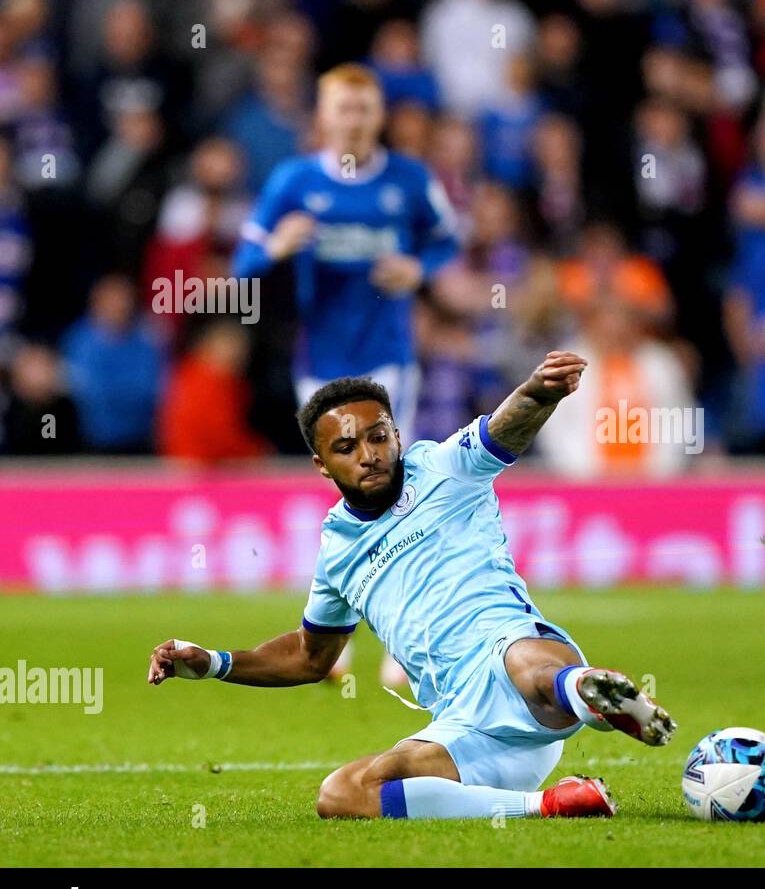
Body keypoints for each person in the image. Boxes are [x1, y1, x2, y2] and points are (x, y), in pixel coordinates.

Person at [146, 351, 676, 820]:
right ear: (321, 464)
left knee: (527, 664)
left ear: (397, 434)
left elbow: (503, 429)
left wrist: (539, 390)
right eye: (347, 447)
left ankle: (589, 695)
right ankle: (552, 803)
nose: (368, 454)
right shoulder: (337, 551)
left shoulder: (444, 468)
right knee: (342, 794)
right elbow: (310, 658)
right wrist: (213, 662)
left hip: (515, 657)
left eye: (378, 437)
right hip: (468, 730)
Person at [231, 62, 458, 435]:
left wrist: (418, 269)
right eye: (343, 109)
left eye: (363, 109)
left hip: (388, 352)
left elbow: (447, 241)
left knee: (386, 467)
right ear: (322, 116)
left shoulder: (411, 179)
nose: (353, 121)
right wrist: (276, 247)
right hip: (319, 355)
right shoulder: (294, 182)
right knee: (338, 470)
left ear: (381, 115)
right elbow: (243, 266)